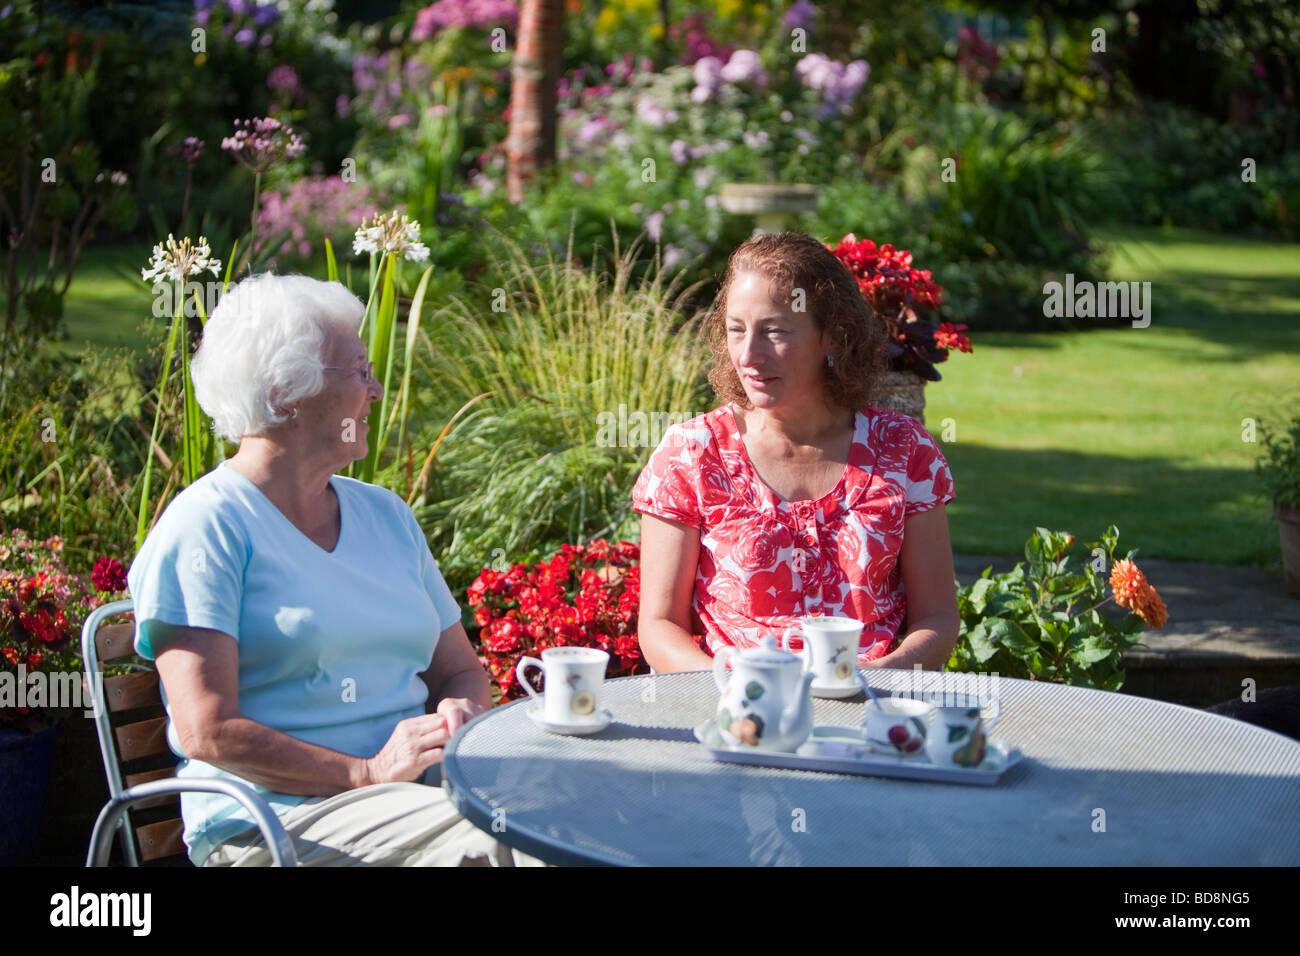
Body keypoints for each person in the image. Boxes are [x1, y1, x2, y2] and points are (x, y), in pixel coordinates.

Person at [127, 273, 529, 866]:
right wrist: (364, 772)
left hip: (414, 795)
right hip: (277, 819)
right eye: (360, 372)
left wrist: (459, 710)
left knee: (580, 809)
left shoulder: (386, 515)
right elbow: (208, 731)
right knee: (504, 841)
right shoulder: (205, 529)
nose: (378, 389)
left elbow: (460, 671)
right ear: (288, 390)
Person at [633, 232, 960, 672]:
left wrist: (883, 676)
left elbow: (937, 617)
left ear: (831, 337)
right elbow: (658, 625)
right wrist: (730, 688)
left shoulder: (904, 451)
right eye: (736, 330)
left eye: (774, 332)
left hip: (865, 712)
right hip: (733, 718)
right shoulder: (692, 454)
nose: (748, 354)